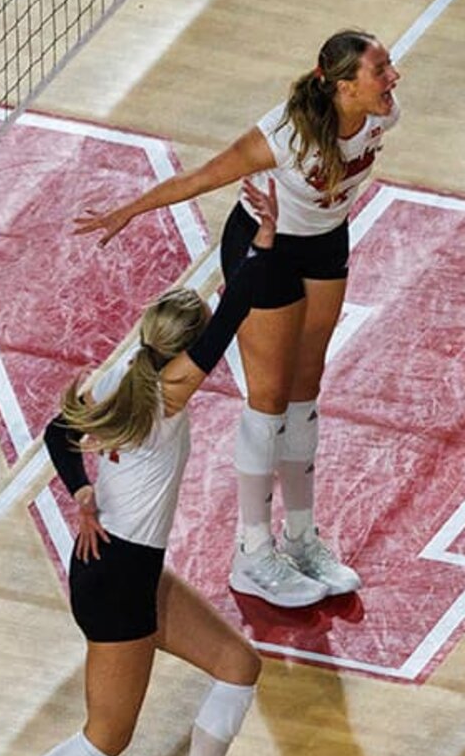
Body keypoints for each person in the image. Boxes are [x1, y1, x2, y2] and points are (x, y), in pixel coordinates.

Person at [0, 180, 285, 756]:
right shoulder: (167, 393)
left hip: (129, 568)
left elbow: (56, 432)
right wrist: (263, 237)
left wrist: (80, 493)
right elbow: (234, 310)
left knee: (236, 664)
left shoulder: (131, 384)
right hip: (116, 585)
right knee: (106, 739)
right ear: (183, 355)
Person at [73, 30, 401, 609]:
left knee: (306, 391)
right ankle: (252, 553)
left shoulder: (381, 114)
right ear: (344, 85)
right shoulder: (282, 137)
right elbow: (199, 179)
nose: (393, 78)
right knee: (268, 397)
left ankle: (302, 539)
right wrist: (127, 211)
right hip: (264, 248)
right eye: (381, 71)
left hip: (324, 245)